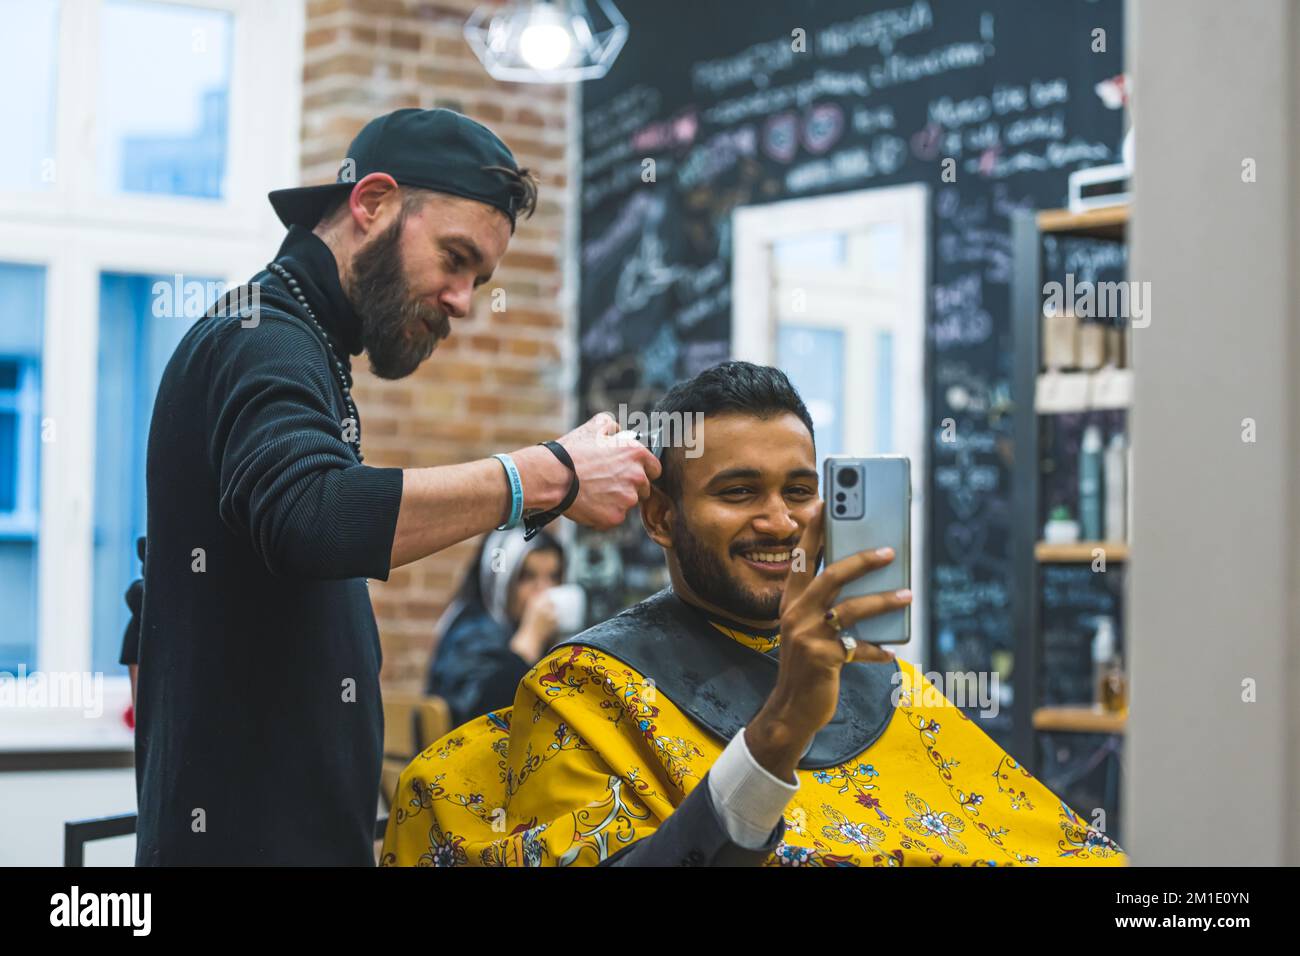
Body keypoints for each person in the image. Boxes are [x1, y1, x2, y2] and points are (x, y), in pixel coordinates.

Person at [128, 108, 660, 866]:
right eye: (454, 257)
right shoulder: (265, 339)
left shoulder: (295, 341)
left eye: (479, 278)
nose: (463, 300)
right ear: (372, 203)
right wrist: (551, 474)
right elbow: (309, 516)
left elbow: (160, 579)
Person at [381, 362, 1128, 867]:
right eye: (739, 492)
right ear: (663, 516)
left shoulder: (882, 680)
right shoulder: (587, 693)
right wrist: (777, 732)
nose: (780, 521)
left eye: (801, 491)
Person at [426, 527, 569, 727]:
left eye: (553, 577)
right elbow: (482, 721)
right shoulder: (471, 634)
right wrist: (529, 640)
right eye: (527, 577)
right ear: (500, 582)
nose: (544, 590)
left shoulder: (510, 628)